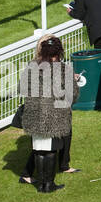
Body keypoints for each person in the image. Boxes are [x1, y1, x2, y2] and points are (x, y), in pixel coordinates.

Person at [17, 36, 78, 192]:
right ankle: (48, 184)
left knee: (39, 149)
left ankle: (42, 185)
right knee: (50, 150)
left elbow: (22, 88)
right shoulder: (62, 69)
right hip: (54, 116)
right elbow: (73, 94)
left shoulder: (31, 66)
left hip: (34, 114)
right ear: (59, 52)